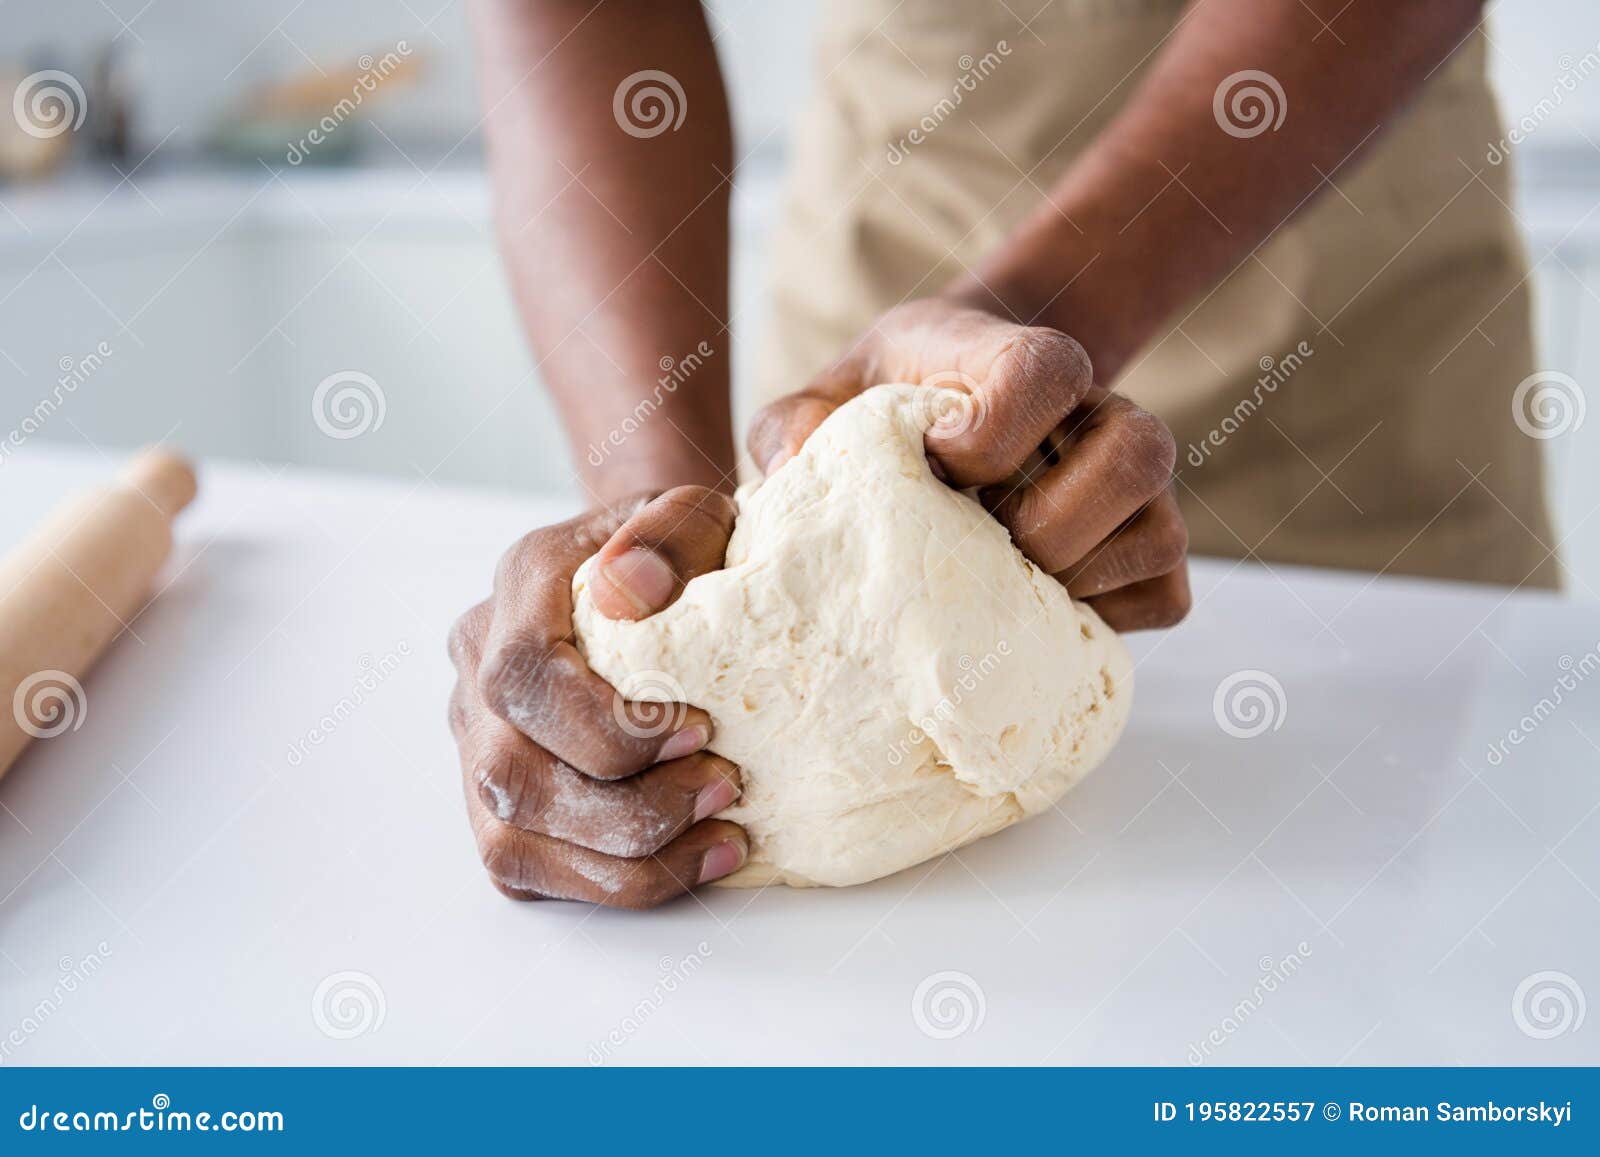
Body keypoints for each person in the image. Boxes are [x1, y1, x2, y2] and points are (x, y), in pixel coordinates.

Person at [448, 0, 1554, 907]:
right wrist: (652, 520)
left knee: (1386, 953)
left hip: (1342, 354)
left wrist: (1035, 318)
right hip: (858, 339)